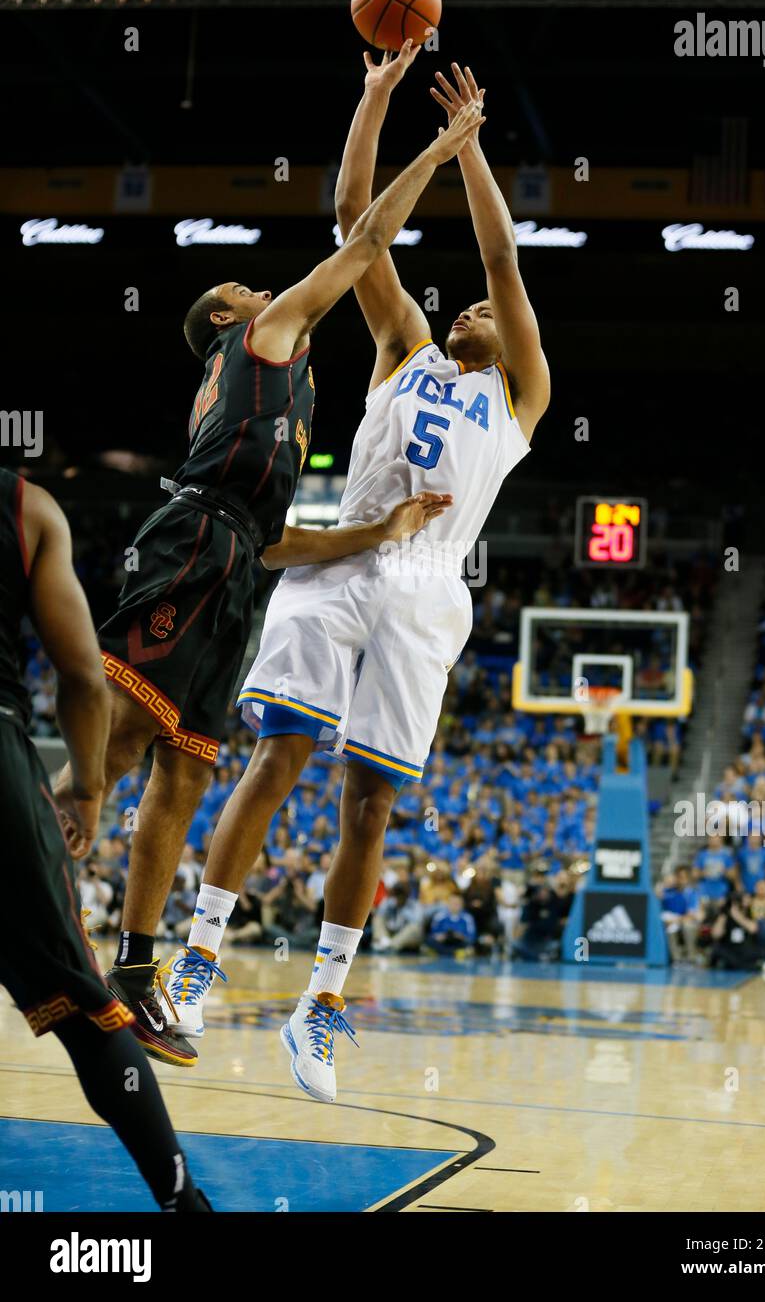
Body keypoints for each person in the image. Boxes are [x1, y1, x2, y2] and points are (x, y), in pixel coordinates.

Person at [52, 93, 482, 1065]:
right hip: (195, 546)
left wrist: (377, 529)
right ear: (226, 319)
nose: (258, 285)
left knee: (186, 768)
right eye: (242, 285)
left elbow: (282, 541)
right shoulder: (264, 337)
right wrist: (427, 134)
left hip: (239, 559)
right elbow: (365, 232)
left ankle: (133, 971)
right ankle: (25, 888)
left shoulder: (281, 384)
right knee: (121, 748)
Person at [162, 48, 549, 1105]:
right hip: (343, 558)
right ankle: (196, 955)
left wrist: (472, 157)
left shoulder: (518, 403)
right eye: (461, 304)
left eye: (481, 311)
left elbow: (505, 266)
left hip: (429, 586)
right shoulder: (403, 343)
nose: (470, 307)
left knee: (369, 806)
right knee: (278, 756)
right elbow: (350, 215)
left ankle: (321, 1006)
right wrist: (390, 103)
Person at [0, 469, 209, 1210]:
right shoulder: (27, 506)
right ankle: (183, 1201)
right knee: (88, 1018)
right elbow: (85, 679)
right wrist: (86, 789)